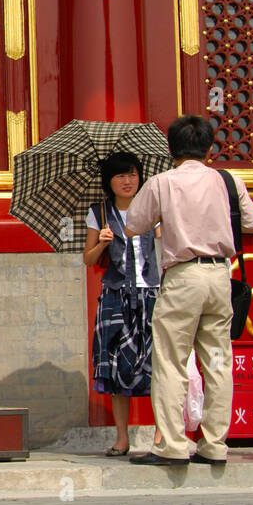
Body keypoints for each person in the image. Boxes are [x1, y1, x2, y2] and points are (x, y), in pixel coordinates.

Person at [125, 115, 253, 466]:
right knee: (218, 361)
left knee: (171, 361)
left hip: (184, 276)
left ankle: (172, 444)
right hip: (220, 275)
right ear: (210, 147)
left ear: (171, 149)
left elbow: (134, 224)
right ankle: (215, 445)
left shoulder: (162, 182)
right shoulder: (229, 180)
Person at [82, 152, 159, 456]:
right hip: (115, 294)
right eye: (120, 176)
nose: (128, 181)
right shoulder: (99, 212)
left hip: (151, 292)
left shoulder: (155, 210)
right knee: (115, 366)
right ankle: (122, 438)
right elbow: (87, 259)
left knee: (157, 364)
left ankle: (160, 435)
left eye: (133, 174)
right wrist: (102, 241)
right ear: (109, 181)